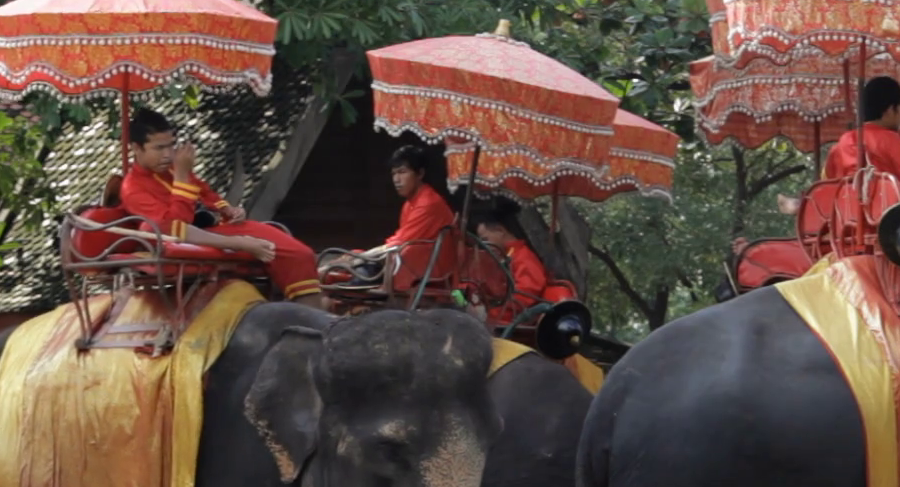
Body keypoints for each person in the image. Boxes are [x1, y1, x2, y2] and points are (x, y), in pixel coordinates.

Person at [118, 108, 327, 308]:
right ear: (136, 148)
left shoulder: (172, 168)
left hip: (214, 229)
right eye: (159, 148)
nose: (168, 155)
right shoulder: (133, 189)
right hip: (191, 236)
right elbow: (178, 226)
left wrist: (228, 209)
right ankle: (312, 316)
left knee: (301, 254)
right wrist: (240, 243)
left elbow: (206, 193)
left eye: (171, 146)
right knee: (294, 254)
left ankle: (305, 309)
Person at [317, 144, 457, 288]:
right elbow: (398, 241)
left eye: (402, 172)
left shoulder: (428, 203)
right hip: (408, 261)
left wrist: (357, 260)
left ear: (420, 174)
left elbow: (397, 246)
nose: (396, 179)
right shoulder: (411, 203)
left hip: (427, 269)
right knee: (350, 262)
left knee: (355, 273)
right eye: (394, 173)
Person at [474, 198, 572, 326]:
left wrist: (490, 313)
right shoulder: (504, 256)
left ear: (500, 230)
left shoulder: (523, 256)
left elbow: (525, 297)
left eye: (485, 238)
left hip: (517, 323)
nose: (484, 244)